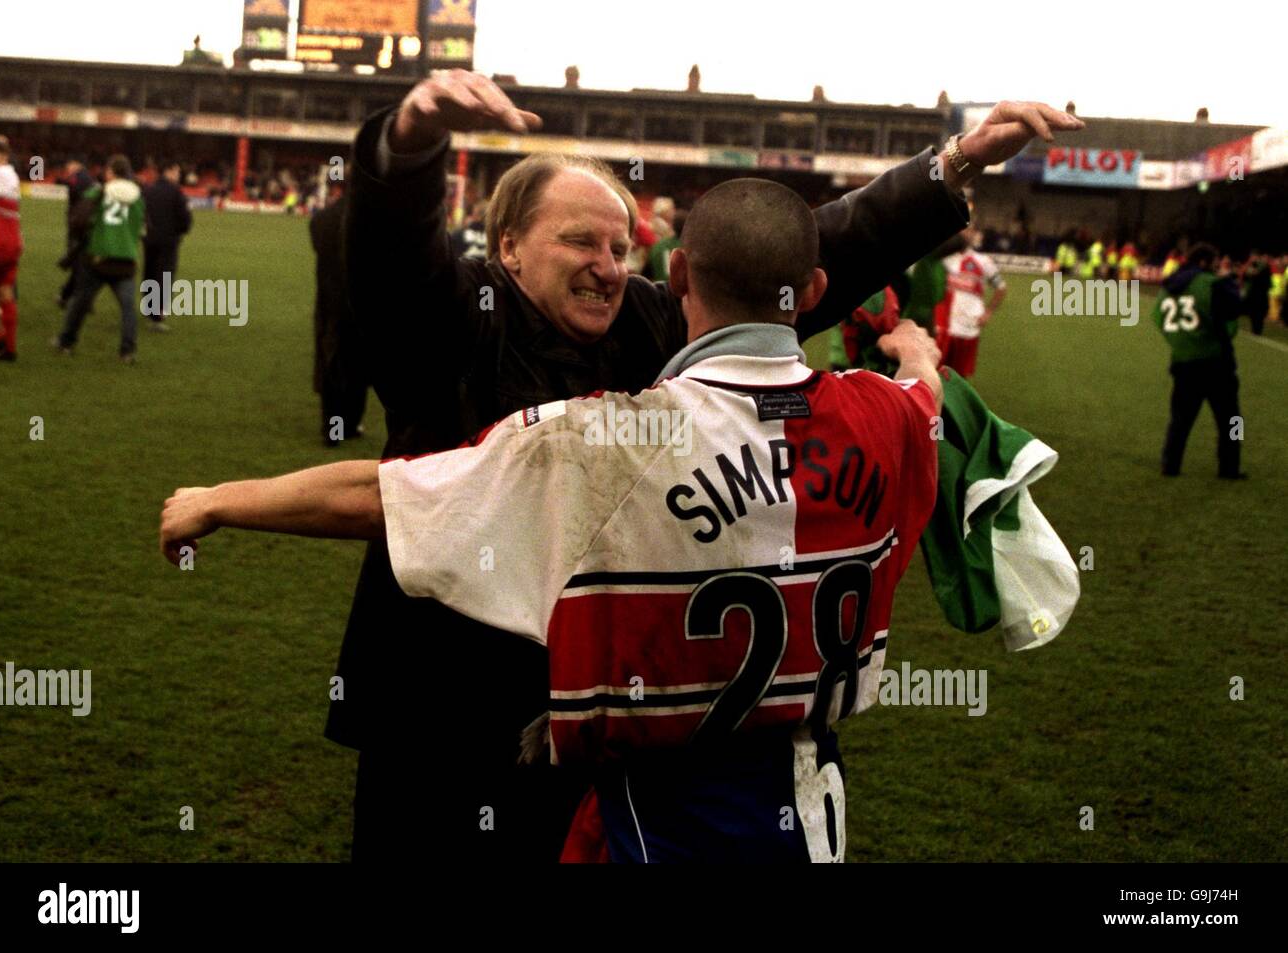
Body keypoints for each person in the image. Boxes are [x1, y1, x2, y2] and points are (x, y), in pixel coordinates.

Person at [334, 70, 1082, 863]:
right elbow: (391, 252)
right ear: (508, 244)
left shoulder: (647, 323)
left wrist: (956, 164)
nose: (609, 266)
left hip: (596, 709)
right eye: (581, 241)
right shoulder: (452, 321)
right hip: (441, 706)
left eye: (621, 246)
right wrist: (410, 137)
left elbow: (787, 257)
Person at [160, 177, 945, 862]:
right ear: (811, 293)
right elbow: (923, 398)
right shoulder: (884, 414)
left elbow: (384, 494)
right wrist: (917, 354)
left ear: (675, 272)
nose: (607, 266)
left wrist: (222, 499)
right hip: (808, 806)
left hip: (662, 815)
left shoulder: (602, 438)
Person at [1152, 243, 1245, 479]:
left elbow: (1157, 316)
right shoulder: (1211, 284)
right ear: (1204, 262)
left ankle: (1170, 464)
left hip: (1183, 362)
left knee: (1180, 420)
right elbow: (1235, 308)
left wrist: (1181, 342)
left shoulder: (1169, 287)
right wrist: (1228, 280)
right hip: (1216, 363)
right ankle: (1230, 466)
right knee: (1233, 420)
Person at [54, 155, 145, 363]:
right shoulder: (139, 196)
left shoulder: (99, 192)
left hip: (98, 257)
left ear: (111, 172)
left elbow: (80, 219)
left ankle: (66, 342)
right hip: (126, 259)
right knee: (128, 308)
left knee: (80, 302)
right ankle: (127, 351)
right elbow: (143, 226)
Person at [310, 195, 369, 446]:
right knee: (360, 366)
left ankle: (332, 429)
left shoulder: (322, 218)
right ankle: (350, 424)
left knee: (332, 364)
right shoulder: (373, 217)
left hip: (330, 302)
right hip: (364, 304)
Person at [939, 229, 1007, 377]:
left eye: (968, 231)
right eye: (961, 231)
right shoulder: (944, 258)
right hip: (944, 326)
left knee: (959, 376)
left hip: (968, 328)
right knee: (936, 372)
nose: (964, 235)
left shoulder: (983, 261)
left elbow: (1001, 288)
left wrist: (988, 313)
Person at [141, 161, 192, 330]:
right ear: (169, 171)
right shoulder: (176, 192)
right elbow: (184, 218)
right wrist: (181, 230)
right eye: (177, 171)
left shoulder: (149, 189)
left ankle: (148, 308)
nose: (178, 175)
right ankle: (157, 316)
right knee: (164, 275)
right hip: (169, 240)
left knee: (149, 272)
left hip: (149, 238)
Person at [0, 135, 22, 362]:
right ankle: (9, 348)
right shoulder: (13, 177)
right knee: (5, 292)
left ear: (3, 157)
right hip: (14, 244)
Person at [57, 155, 95, 309]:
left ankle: (73, 298)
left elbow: (74, 191)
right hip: (86, 223)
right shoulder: (89, 179)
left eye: (70, 164)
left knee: (78, 263)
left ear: (77, 164)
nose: (68, 168)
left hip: (78, 223)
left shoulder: (78, 178)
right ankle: (73, 297)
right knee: (81, 264)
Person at [644, 207, 686, 283]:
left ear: (672, 226)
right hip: (683, 292)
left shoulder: (658, 246)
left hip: (658, 290)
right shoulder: (691, 248)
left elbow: (646, 274)